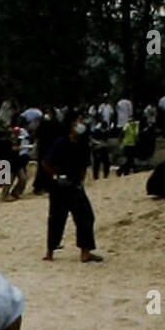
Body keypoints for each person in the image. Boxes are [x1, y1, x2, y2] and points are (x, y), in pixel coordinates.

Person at [41, 113, 101, 263]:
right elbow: (46, 162)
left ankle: (85, 252)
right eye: (78, 121)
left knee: (86, 217)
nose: (81, 124)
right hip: (59, 186)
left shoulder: (83, 144)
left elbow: (84, 167)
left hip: (74, 186)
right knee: (56, 218)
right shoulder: (61, 142)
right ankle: (50, 251)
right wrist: (57, 176)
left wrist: (79, 183)